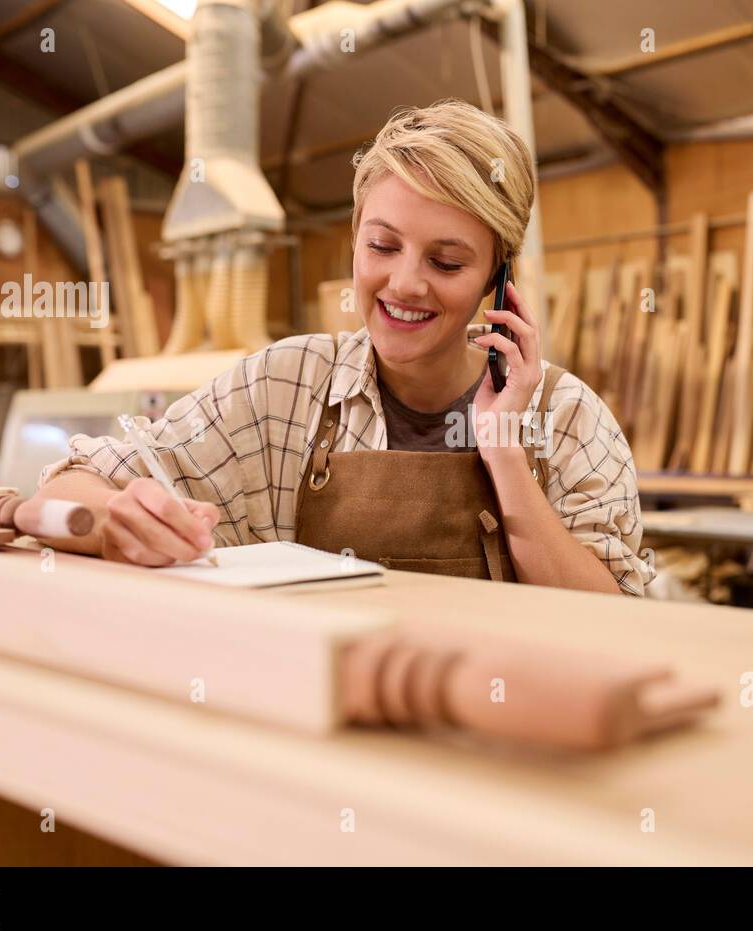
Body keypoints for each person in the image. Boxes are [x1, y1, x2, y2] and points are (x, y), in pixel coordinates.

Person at [33, 98, 653, 596]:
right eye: (383, 247)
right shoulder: (285, 386)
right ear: (356, 239)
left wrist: (507, 457)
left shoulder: (565, 416)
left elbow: (616, 620)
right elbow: (58, 494)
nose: (405, 283)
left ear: (499, 275)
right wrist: (119, 520)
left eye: (446, 260)